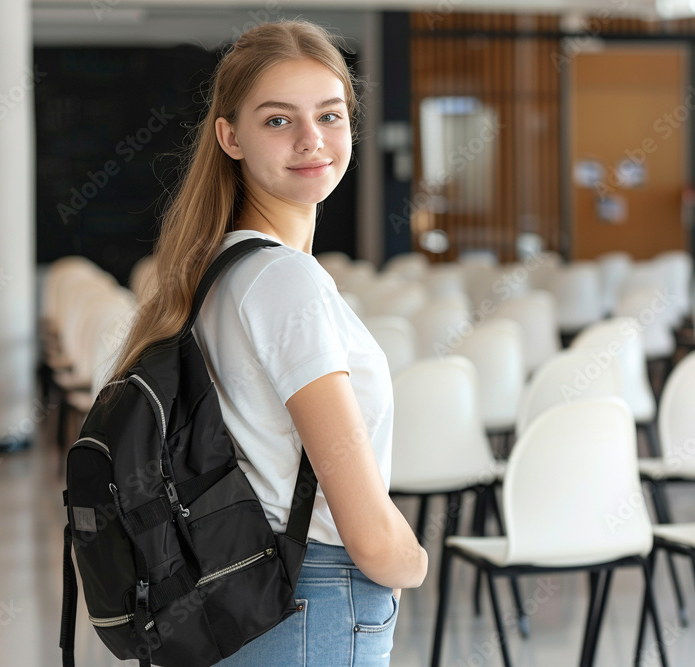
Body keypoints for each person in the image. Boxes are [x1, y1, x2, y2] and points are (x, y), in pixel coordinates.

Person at [106, 18, 427, 666]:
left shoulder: (221, 269)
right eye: (279, 120)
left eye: (330, 116)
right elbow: (366, 533)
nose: (313, 140)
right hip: (316, 594)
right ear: (230, 136)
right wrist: (412, 559)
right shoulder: (287, 281)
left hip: (245, 592)